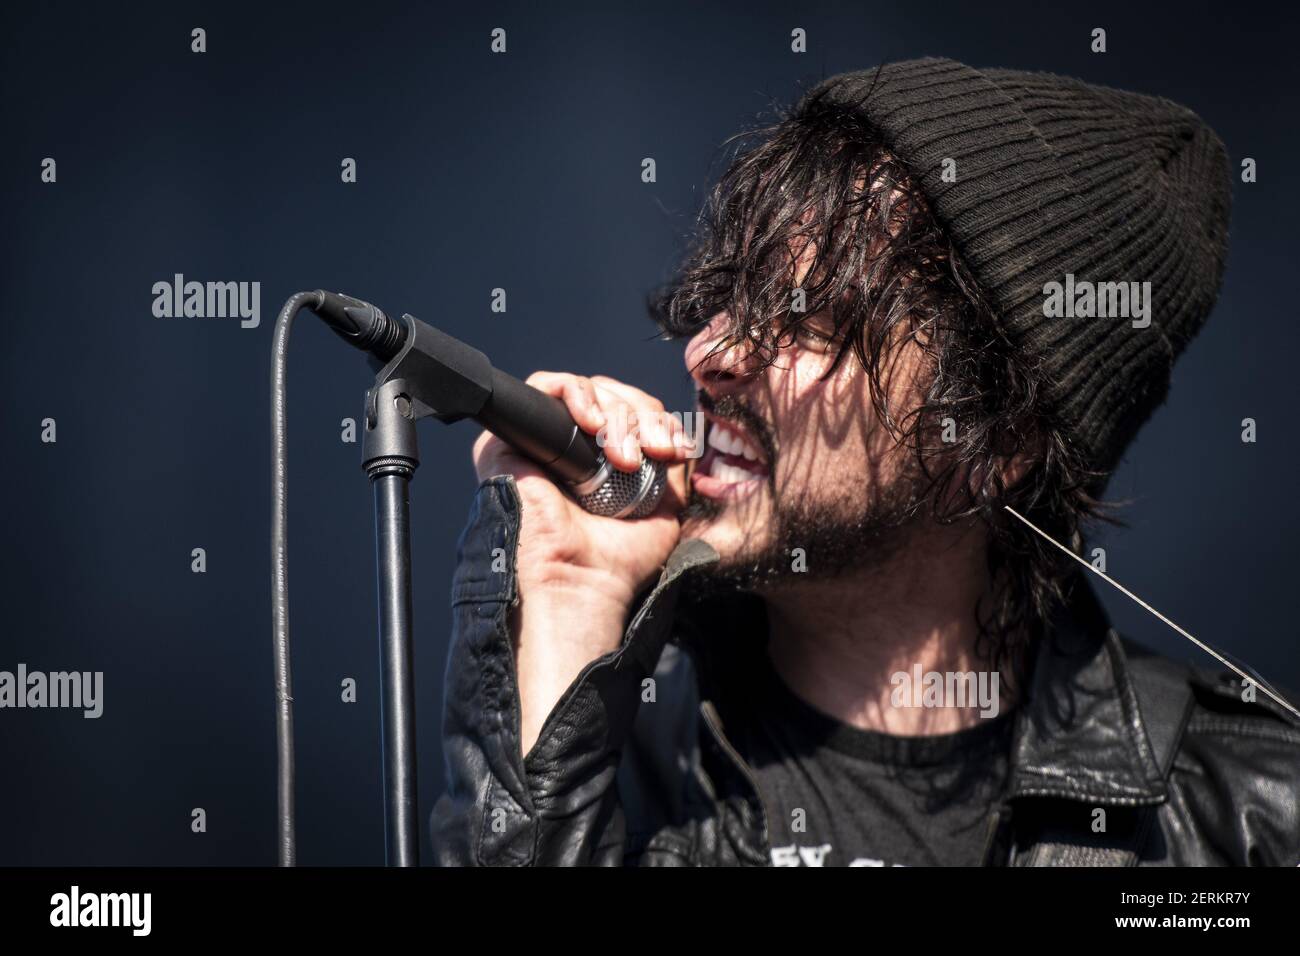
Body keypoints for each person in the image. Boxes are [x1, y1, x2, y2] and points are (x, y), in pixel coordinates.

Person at [430, 57, 1300, 866]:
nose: (709, 351)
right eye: (735, 295)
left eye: (814, 323)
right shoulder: (616, 742)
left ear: (1000, 441)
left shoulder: (1245, 817)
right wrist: (570, 595)